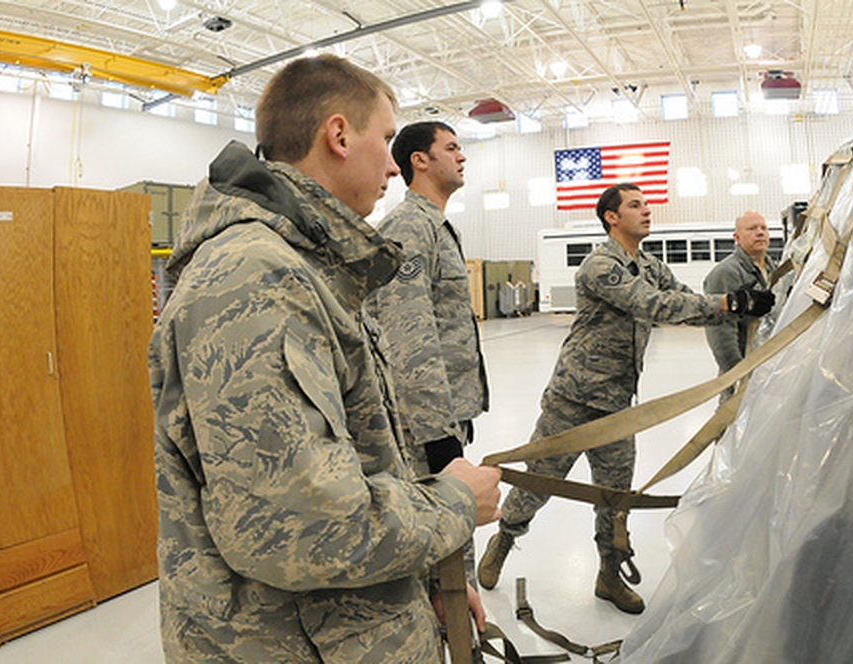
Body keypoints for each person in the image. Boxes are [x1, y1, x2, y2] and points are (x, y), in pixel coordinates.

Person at [149, 54, 501, 663]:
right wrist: (453, 504)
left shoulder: (317, 264)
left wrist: (424, 585)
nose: (394, 164)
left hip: (348, 625)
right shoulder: (255, 277)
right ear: (338, 135)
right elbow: (298, 524)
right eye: (387, 139)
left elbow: (358, 459)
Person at [477, 183, 773, 614]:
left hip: (618, 402)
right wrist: (729, 301)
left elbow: (683, 301)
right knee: (538, 485)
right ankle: (504, 540)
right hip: (573, 400)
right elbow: (651, 304)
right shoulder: (600, 264)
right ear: (611, 217)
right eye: (635, 205)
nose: (646, 211)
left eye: (646, 204)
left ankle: (609, 576)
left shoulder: (650, 264)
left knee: (615, 498)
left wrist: (734, 306)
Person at [366, 121, 489, 476]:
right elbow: (407, 336)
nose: (461, 156)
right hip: (419, 431)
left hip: (442, 417)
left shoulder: (436, 226)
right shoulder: (409, 227)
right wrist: (438, 438)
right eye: (451, 148)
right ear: (420, 160)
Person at [703, 210, 778, 399]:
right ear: (737, 237)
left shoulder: (774, 269)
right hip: (743, 368)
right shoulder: (726, 272)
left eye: (764, 228)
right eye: (752, 228)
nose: (760, 232)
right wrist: (737, 373)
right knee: (732, 420)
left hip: (770, 365)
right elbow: (720, 331)